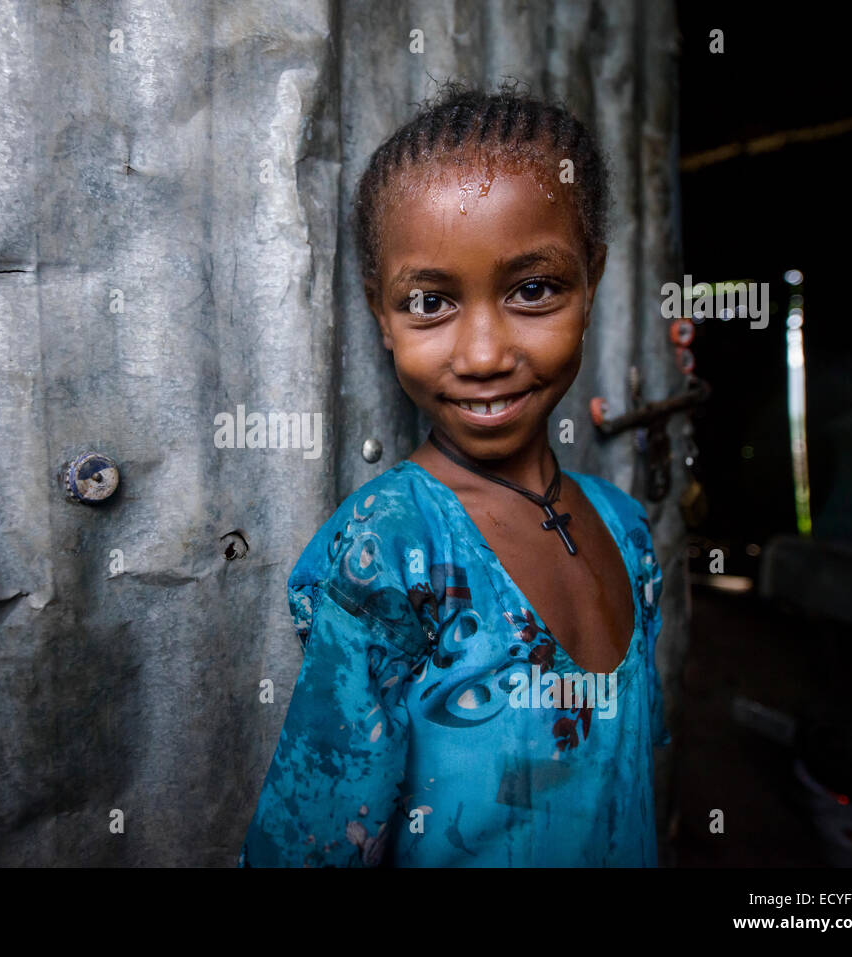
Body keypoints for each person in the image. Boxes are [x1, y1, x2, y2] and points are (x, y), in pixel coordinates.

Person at [239, 80, 669, 867]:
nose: (481, 355)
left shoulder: (627, 529)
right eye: (430, 303)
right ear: (380, 312)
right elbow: (310, 848)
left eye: (533, 290)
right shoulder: (391, 550)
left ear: (592, 279)